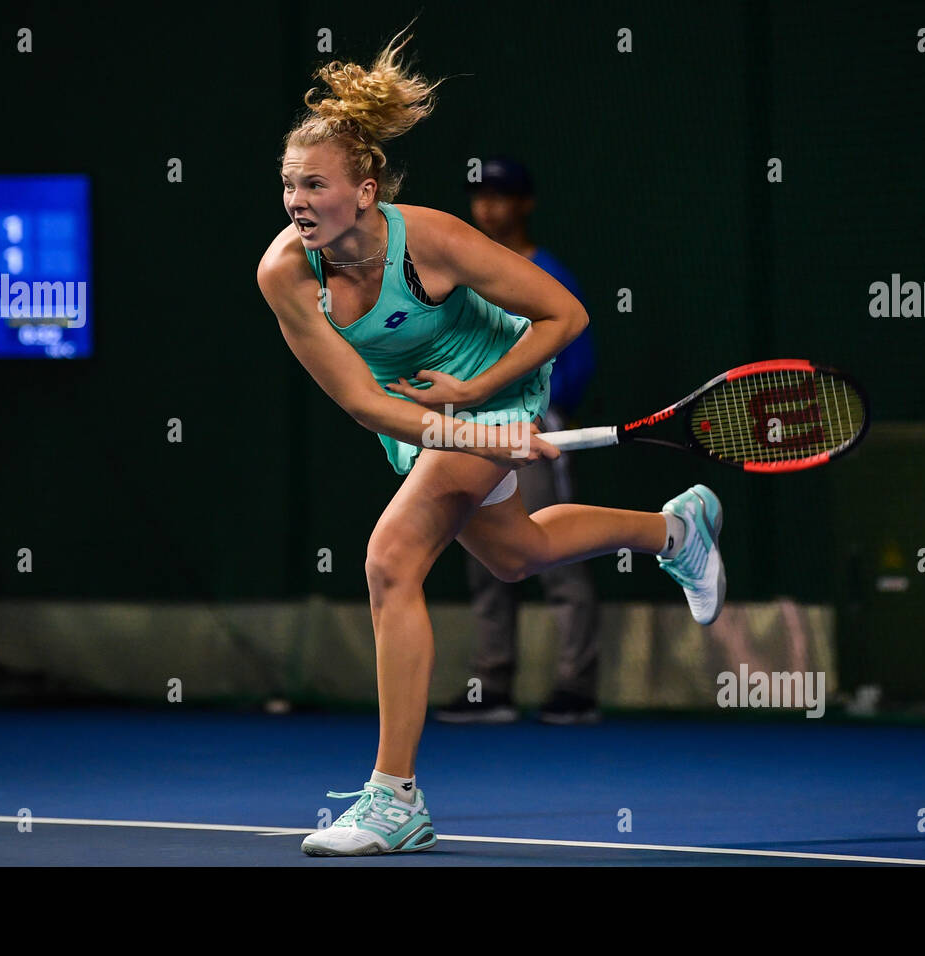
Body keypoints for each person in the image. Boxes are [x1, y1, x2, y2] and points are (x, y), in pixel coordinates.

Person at [256, 25, 727, 858]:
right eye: (289, 185)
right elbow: (366, 404)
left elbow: (566, 315)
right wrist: (463, 430)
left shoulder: (431, 239)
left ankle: (394, 796)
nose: (297, 202)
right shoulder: (287, 274)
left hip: (493, 373)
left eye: (315, 186)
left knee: (389, 560)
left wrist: (479, 401)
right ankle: (676, 530)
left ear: (365, 191)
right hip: (419, 413)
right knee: (513, 554)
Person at [435, 157, 602, 725]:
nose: (487, 206)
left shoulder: (547, 271)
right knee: (486, 557)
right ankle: (492, 685)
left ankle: (577, 687)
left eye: (501, 196)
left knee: (553, 551)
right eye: (479, 195)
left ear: (525, 204)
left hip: (533, 430)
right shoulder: (459, 273)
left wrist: (540, 413)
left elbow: (575, 354)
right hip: (474, 434)